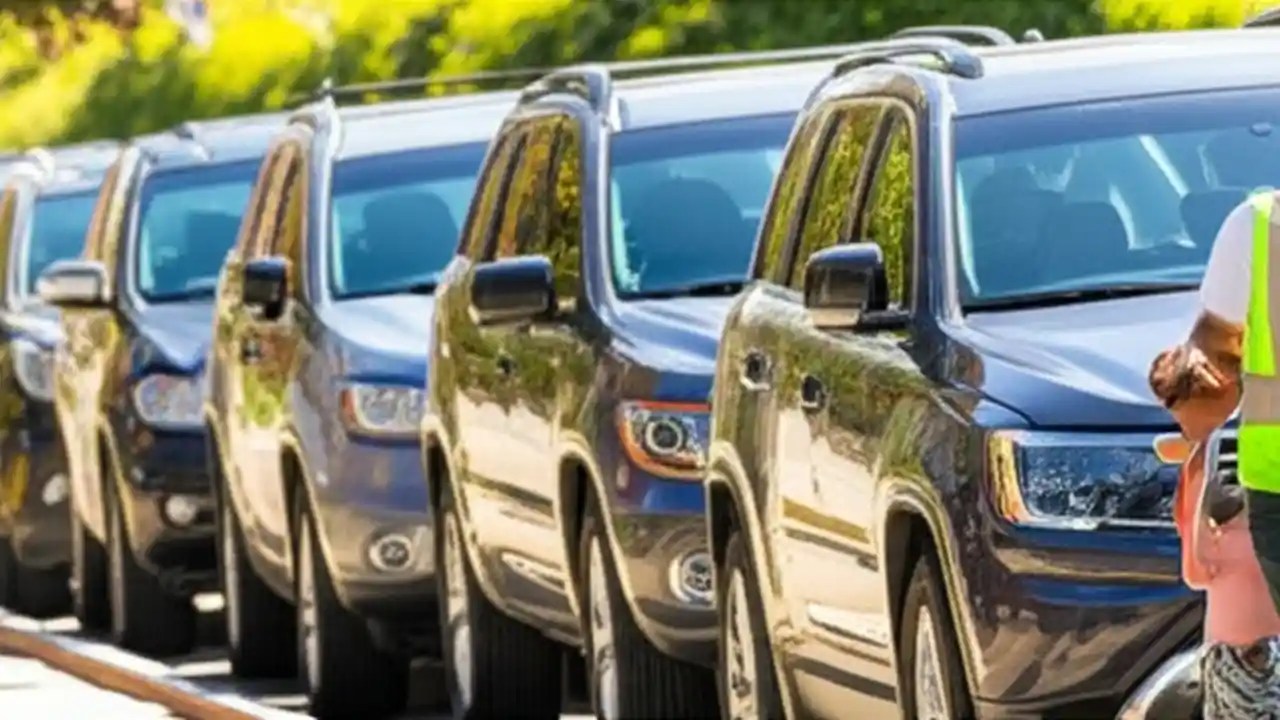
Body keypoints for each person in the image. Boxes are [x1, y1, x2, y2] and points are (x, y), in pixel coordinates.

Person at [1151, 189, 1280, 717]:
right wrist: (1190, 374)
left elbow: (1209, 385)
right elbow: (1211, 374)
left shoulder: (1259, 226)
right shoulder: (1256, 226)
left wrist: (1188, 379)